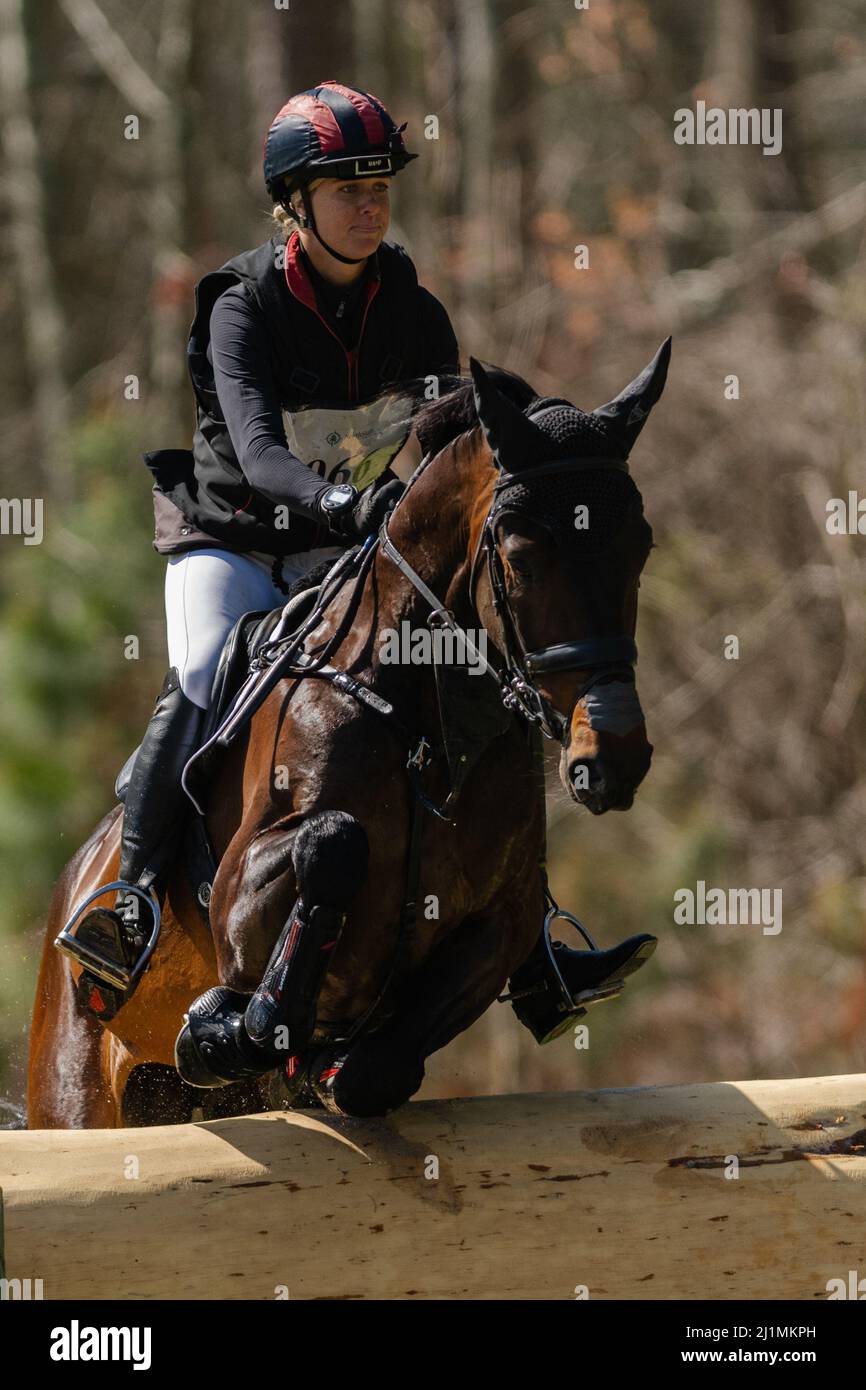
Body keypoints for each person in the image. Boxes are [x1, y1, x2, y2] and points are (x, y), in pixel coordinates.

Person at [65, 79, 653, 1044]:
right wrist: (340, 500)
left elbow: (453, 425)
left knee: (475, 681)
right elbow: (257, 454)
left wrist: (558, 436)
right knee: (209, 666)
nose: (370, 203)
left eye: (379, 183)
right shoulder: (240, 306)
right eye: (346, 187)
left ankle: (532, 942)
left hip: (350, 553)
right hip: (238, 542)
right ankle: (127, 900)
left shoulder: (412, 310)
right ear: (295, 202)